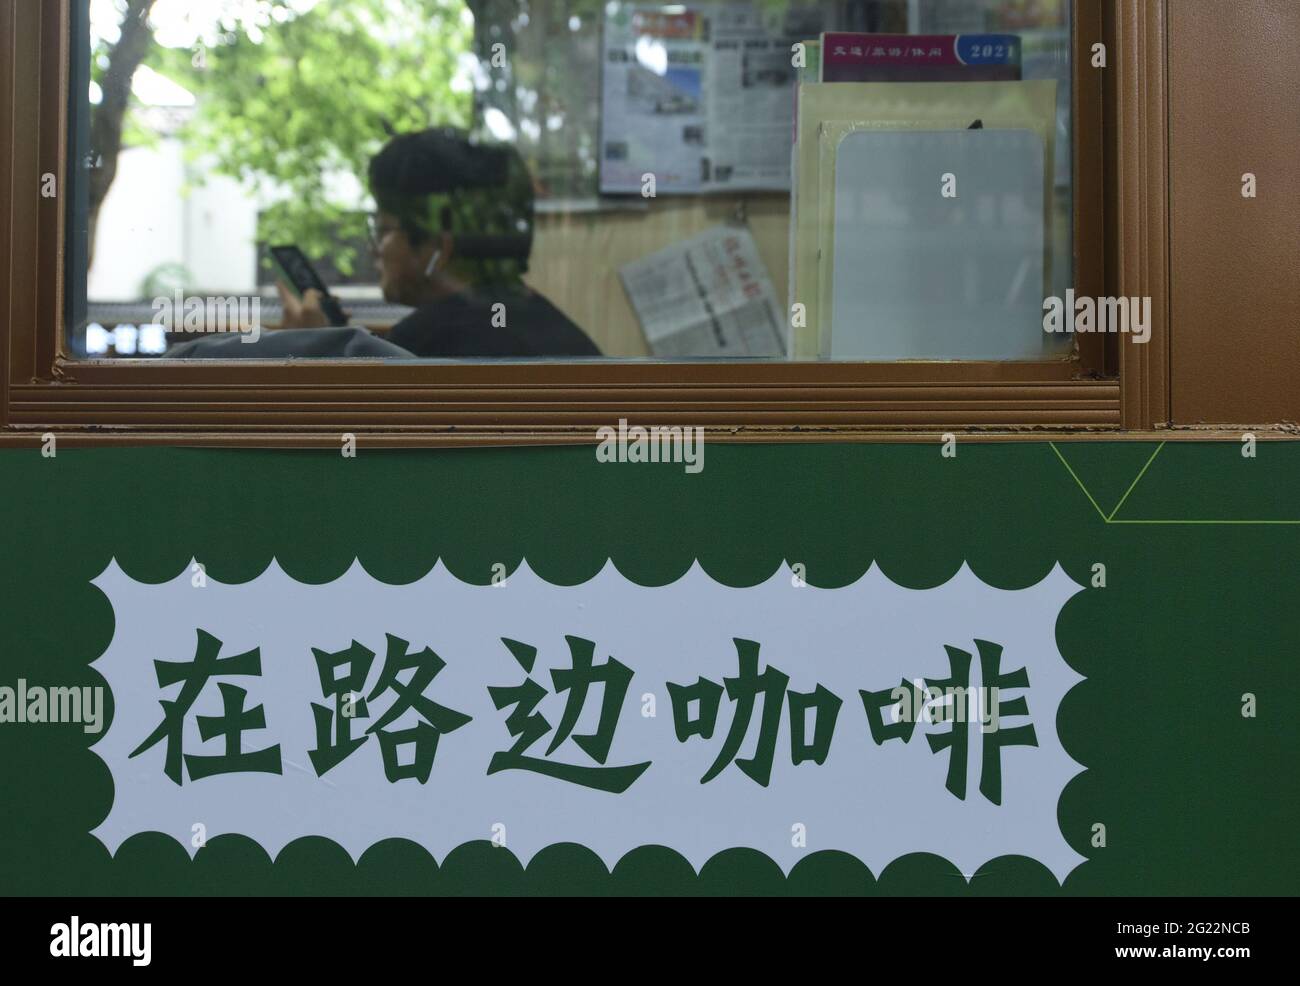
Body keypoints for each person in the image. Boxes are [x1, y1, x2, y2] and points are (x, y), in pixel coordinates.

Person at [171, 128, 600, 359]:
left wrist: (311, 356)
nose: (375, 249)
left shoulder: (424, 346)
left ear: (437, 249)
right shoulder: (560, 331)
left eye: (384, 228)